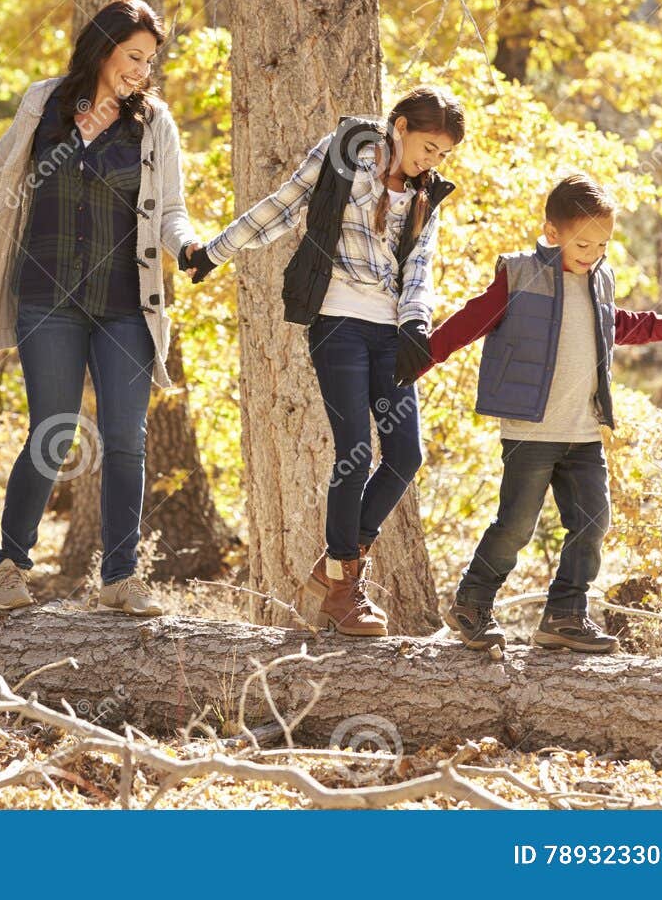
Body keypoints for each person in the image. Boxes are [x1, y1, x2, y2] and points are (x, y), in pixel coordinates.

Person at [184, 86, 465, 637]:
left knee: (406, 454)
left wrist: (416, 325)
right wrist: (215, 251)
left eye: (443, 155)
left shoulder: (427, 194)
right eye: (429, 147)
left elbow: (421, 271)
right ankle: (344, 591)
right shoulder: (349, 150)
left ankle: (339, 559)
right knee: (355, 451)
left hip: (390, 332)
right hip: (336, 321)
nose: (432, 162)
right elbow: (286, 205)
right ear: (401, 126)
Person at [408, 172, 662, 654]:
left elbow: (623, 325)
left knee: (593, 521)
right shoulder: (520, 274)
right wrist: (419, 359)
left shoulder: (600, 281)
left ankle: (565, 615)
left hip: (583, 431)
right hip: (532, 429)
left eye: (602, 244)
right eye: (584, 243)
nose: (593, 253)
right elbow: (469, 322)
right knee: (516, 524)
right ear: (552, 233)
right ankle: (472, 602)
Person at [0, 0, 197, 617]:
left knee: (125, 439)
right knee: (53, 429)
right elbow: (4, 164)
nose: (141, 70)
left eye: (149, 61)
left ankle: (120, 579)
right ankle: (11, 567)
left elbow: (171, 211)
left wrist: (189, 246)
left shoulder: (154, 124)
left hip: (126, 305)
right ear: (102, 49)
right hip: (48, 296)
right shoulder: (47, 102)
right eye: (132, 56)